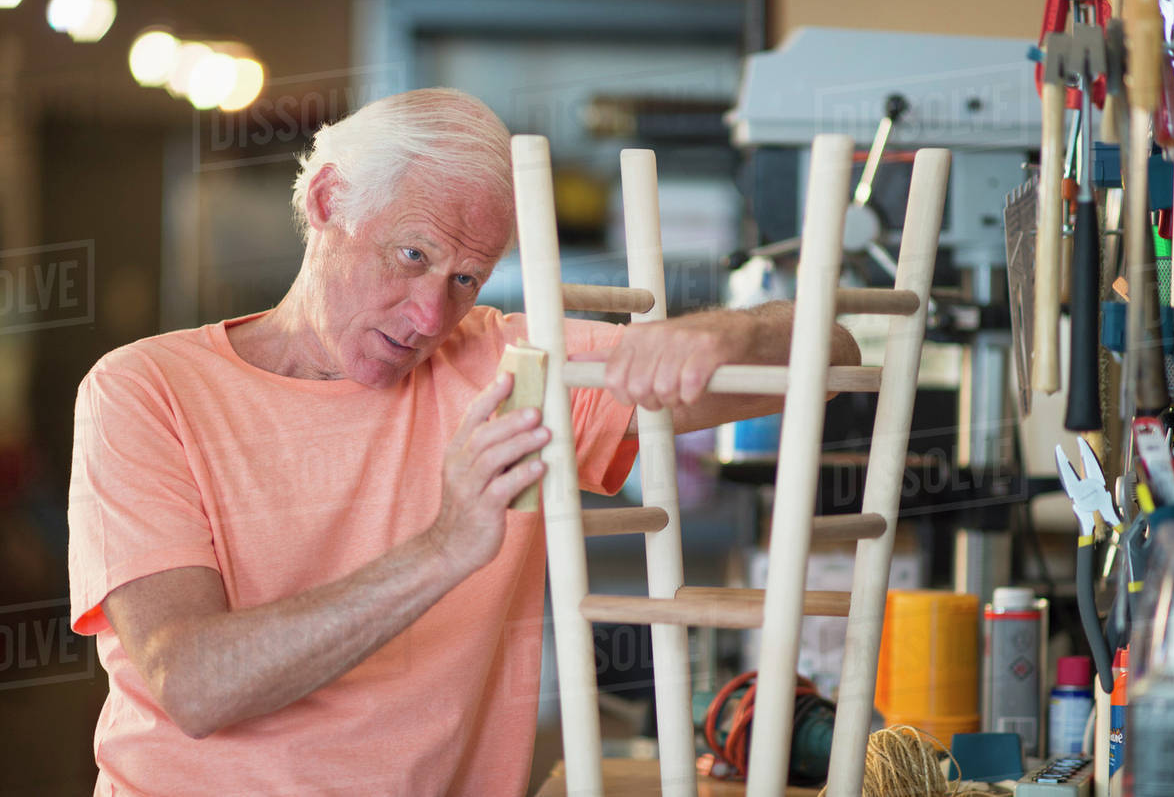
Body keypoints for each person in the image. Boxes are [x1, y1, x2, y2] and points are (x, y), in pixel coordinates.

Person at [67, 88, 860, 796]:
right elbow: (196, 683)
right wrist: (445, 547)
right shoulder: (143, 390)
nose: (427, 319)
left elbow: (837, 358)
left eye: (466, 279)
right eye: (412, 255)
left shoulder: (508, 369)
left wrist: (722, 334)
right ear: (326, 199)